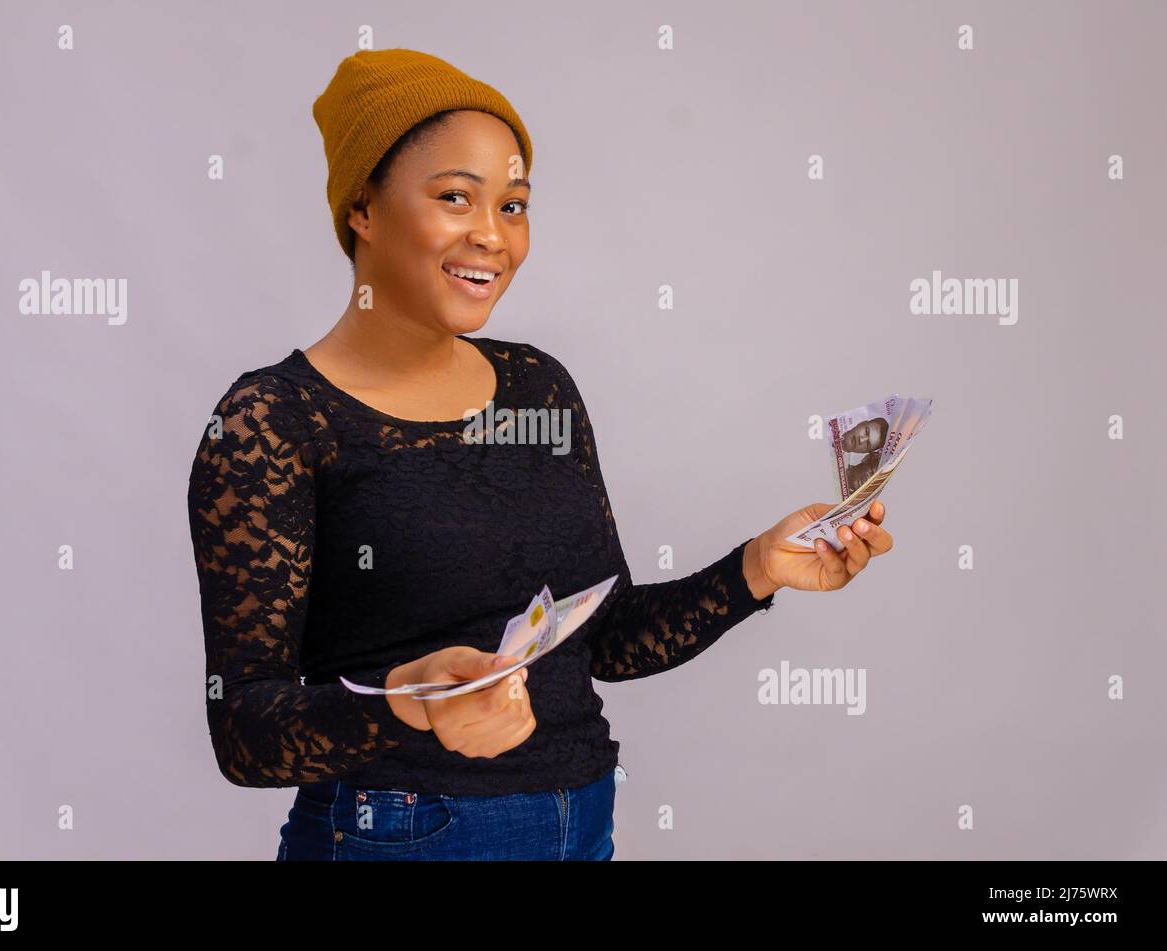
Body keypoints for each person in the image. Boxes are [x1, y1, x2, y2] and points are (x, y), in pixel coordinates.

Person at [185, 48, 894, 862]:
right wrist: (407, 705)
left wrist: (760, 568)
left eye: (514, 205)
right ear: (363, 210)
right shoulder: (271, 422)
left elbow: (608, 635)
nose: (491, 235)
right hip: (400, 834)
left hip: (581, 825)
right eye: (455, 197)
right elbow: (243, 729)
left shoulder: (538, 388)